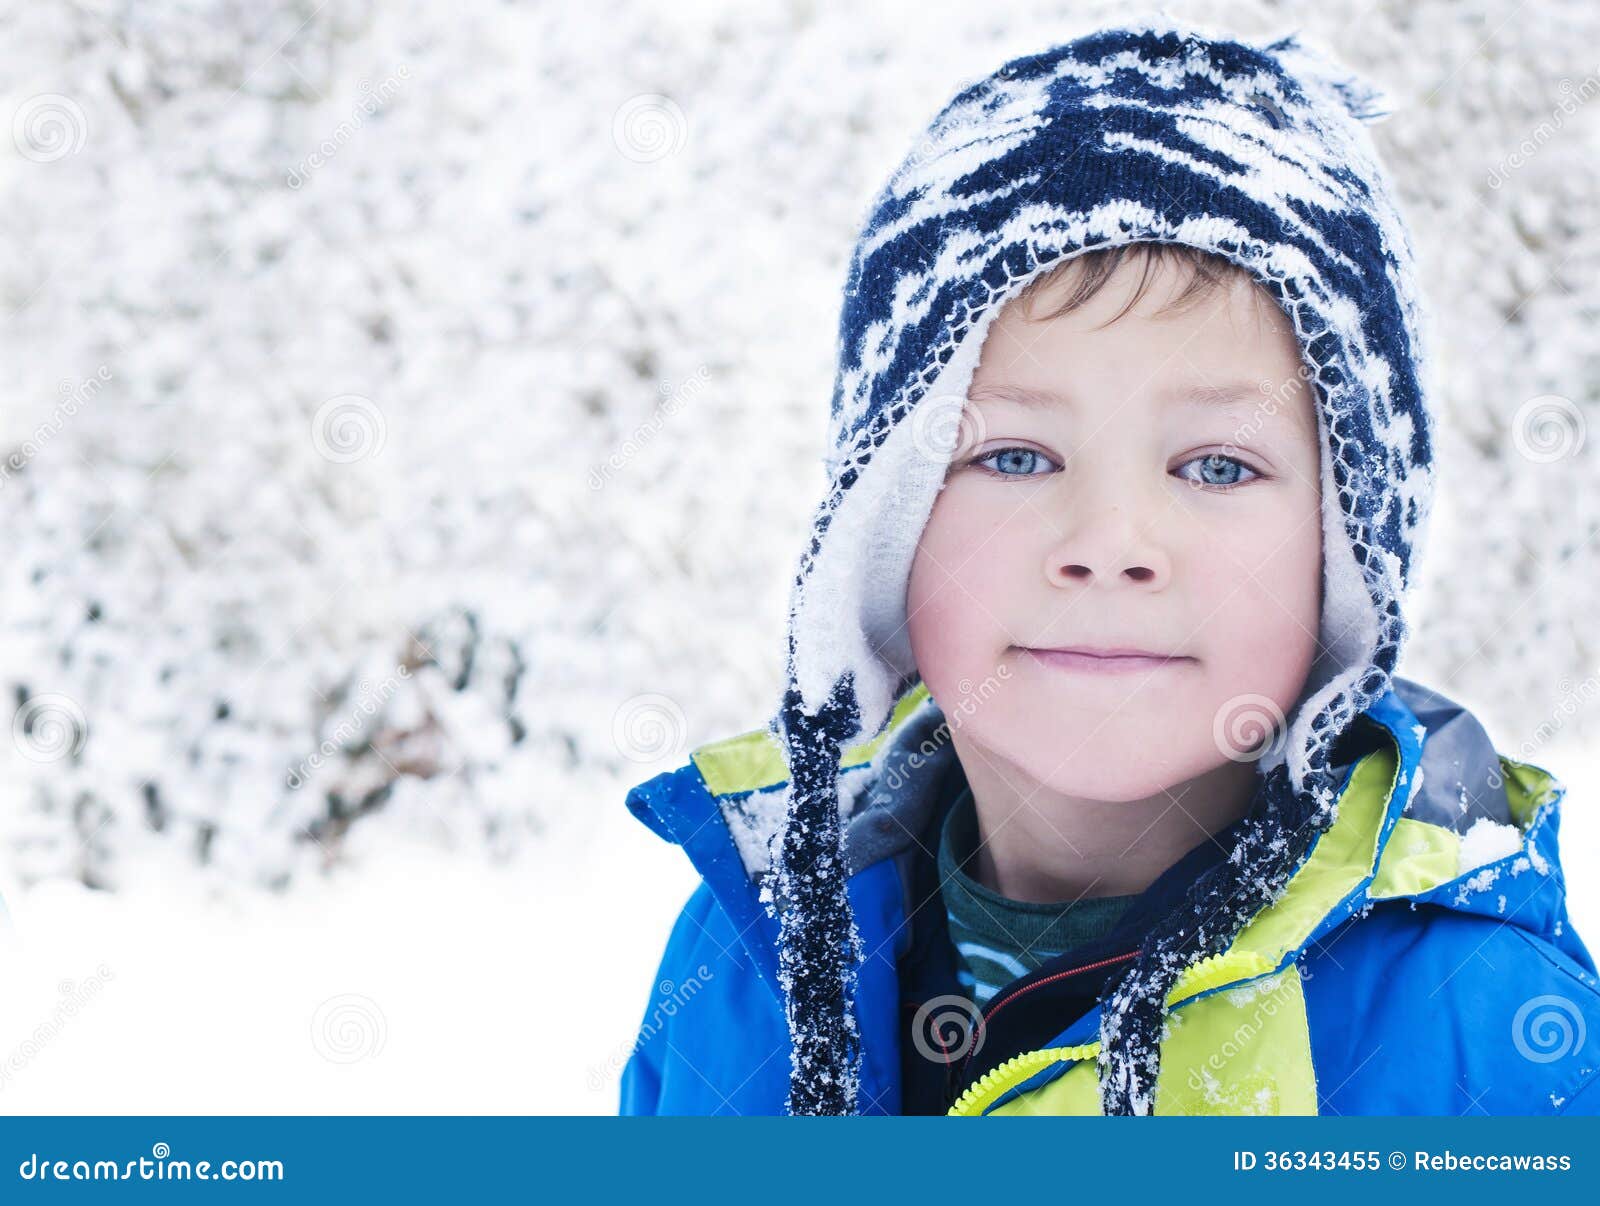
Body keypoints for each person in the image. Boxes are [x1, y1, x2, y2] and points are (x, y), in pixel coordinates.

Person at [616, 18, 1600, 1116]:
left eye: (1218, 465)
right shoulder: (751, 953)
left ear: (1346, 552)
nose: (1109, 542)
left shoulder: (1472, 1031)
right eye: (1015, 455)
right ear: (882, 529)